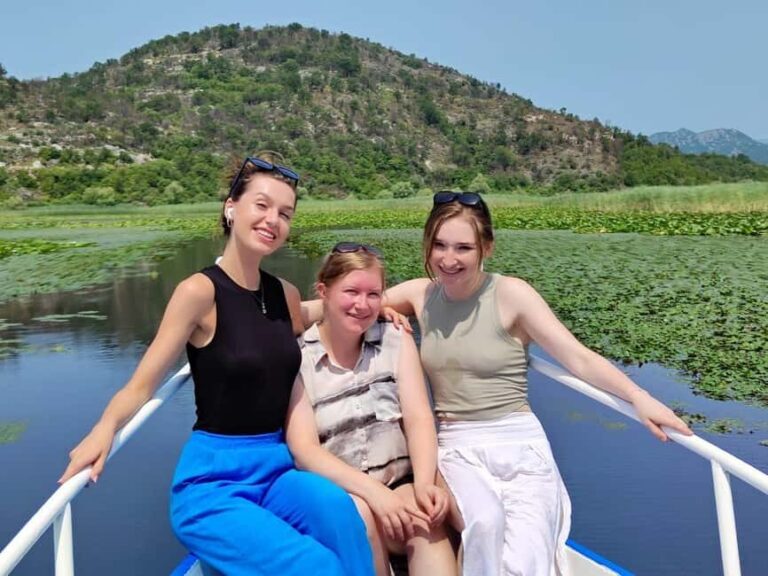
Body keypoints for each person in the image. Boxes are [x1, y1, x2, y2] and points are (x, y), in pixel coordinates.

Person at [59, 154, 374, 576]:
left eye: (285, 213)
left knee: (341, 515)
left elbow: (316, 312)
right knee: (316, 566)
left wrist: (375, 307)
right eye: (261, 205)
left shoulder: (285, 294)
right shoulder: (199, 292)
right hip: (214, 483)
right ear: (232, 208)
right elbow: (141, 384)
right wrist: (104, 427)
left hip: (276, 469)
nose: (272, 220)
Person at [380, 191, 694, 576]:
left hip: (519, 440)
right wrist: (383, 312)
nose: (449, 259)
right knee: (484, 524)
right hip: (457, 444)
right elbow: (354, 304)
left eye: (463, 247)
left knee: (526, 558)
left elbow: (577, 357)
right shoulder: (419, 294)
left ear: (487, 248)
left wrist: (639, 397)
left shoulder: (512, 294)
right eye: (439, 245)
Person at [286, 242, 457, 576]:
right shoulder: (298, 358)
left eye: (373, 294)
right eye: (351, 291)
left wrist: (423, 483)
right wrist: (375, 496)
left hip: (399, 482)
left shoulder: (395, 338)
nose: (362, 305)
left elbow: (419, 417)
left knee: (426, 521)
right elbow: (304, 450)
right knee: (358, 518)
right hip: (344, 494)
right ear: (324, 291)